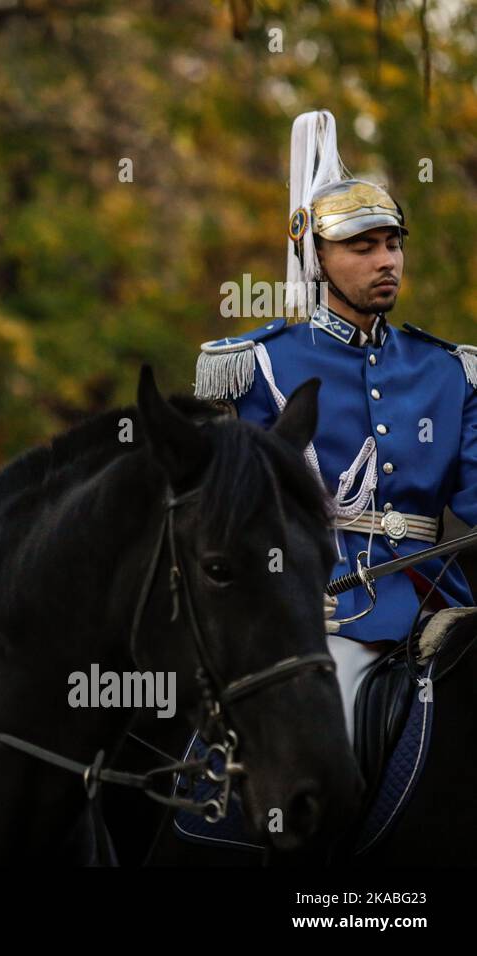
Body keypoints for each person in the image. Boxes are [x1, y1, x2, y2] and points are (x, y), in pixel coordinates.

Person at [194, 109, 477, 746]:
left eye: (394, 243)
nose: (387, 261)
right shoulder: (259, 364)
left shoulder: (449, 371)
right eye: (362, 246)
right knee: (327, 741)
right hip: (325, 612)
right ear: (315, 257)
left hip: (441, 608)